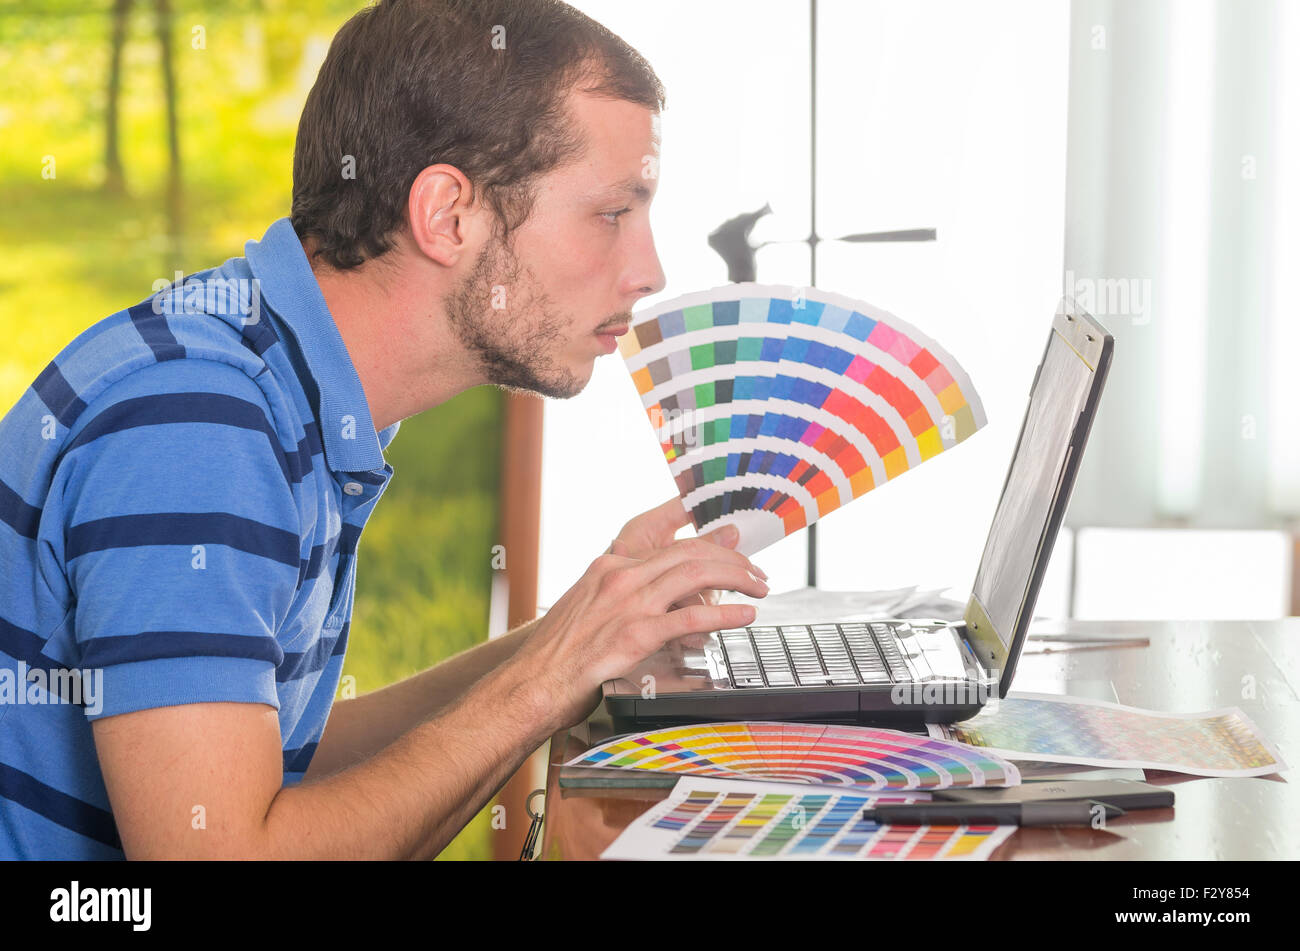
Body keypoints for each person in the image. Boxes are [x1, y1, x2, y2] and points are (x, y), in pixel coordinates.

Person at [0, 0, 767, 859]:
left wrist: (575, 640)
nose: (649, 270)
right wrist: (543, 681)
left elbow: (261, 758)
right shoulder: (197, 425)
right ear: (448, 215)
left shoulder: (276, 386)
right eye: (613, 212)